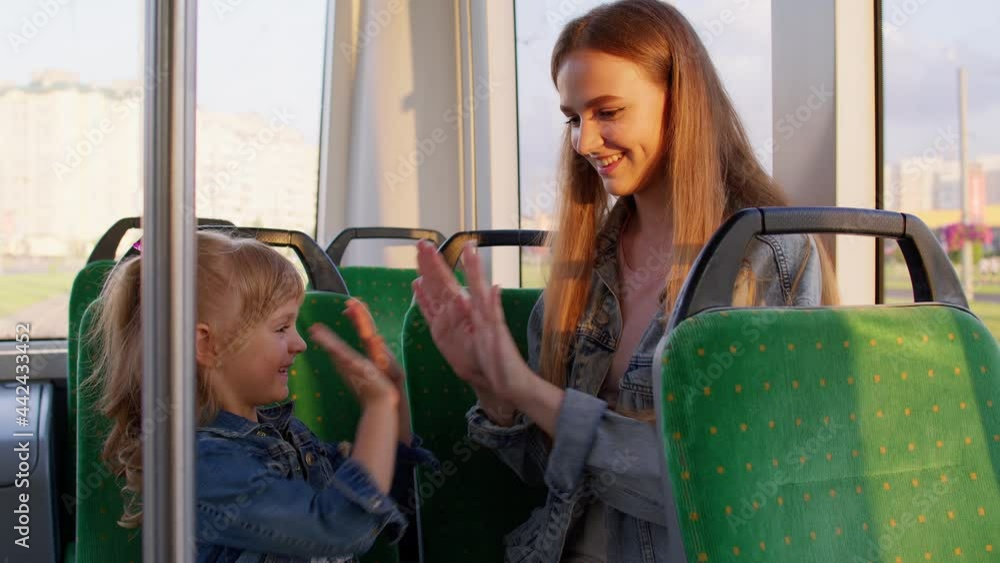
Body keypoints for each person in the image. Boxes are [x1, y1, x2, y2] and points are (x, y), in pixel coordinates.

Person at [412, 1, 839, 561]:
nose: (584, 142)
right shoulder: (580, 273)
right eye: (573, 118)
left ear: (681, 105)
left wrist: (529, 390)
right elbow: (554, 478)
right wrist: (494, 390)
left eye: (607, 111)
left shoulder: (769, 259)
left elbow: (727, 490)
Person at [85, 230, 434, 562]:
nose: (300, 344)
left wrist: (395, 398)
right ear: (207, 344)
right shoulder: (201, 465)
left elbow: (380, 503)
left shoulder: (290, 435)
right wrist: (378, 408)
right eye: (282, 328)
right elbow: (340, 527)